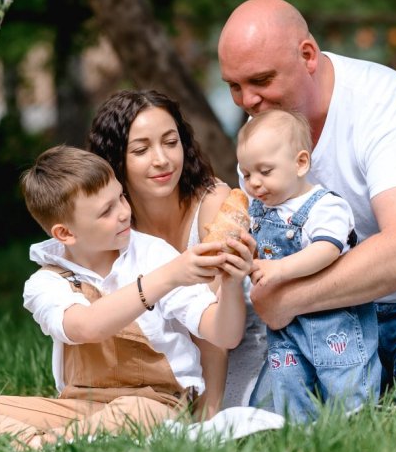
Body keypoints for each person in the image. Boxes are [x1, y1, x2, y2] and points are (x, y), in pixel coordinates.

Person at [217, 0, 396, 400]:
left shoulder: (387, 105)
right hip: (331, 308)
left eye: (262, 81)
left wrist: (290, 300)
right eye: (235, 86)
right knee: (270, 426)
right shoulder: (262, 135)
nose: (248, 101)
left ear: (308, 55)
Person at [0, 146, 252, 447]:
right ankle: (42, 444)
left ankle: (43, 445)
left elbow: (224, 333)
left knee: (135, 411)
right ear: (65, 233)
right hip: (78, 409)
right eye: (106, 211)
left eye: (121, 198)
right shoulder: (46, 283)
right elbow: (86, 327)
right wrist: (168, 276)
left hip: (158, 404)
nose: (123, 212)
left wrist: (232, 283)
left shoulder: (153, 255)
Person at [88, 90, 270, 416]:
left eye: (171, 143)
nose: (162, 159)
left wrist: (207, 421)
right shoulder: (114, 227)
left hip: (230, 353)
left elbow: (212, 333)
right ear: (115, 158)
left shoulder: (215, 204)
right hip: (157, 368)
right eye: (142, 149)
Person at [236, 109, 381, 422]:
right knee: (289, 381)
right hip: (287, 324)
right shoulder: (259, 210)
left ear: (300, 163)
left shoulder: (324, 205)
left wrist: (279, 270)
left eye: (265, 171)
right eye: (247, 174)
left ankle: (358, 429)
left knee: (344, 379)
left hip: (335, 318)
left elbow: (326, 250)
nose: (254, 183)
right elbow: (258, 255)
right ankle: (300, 433)